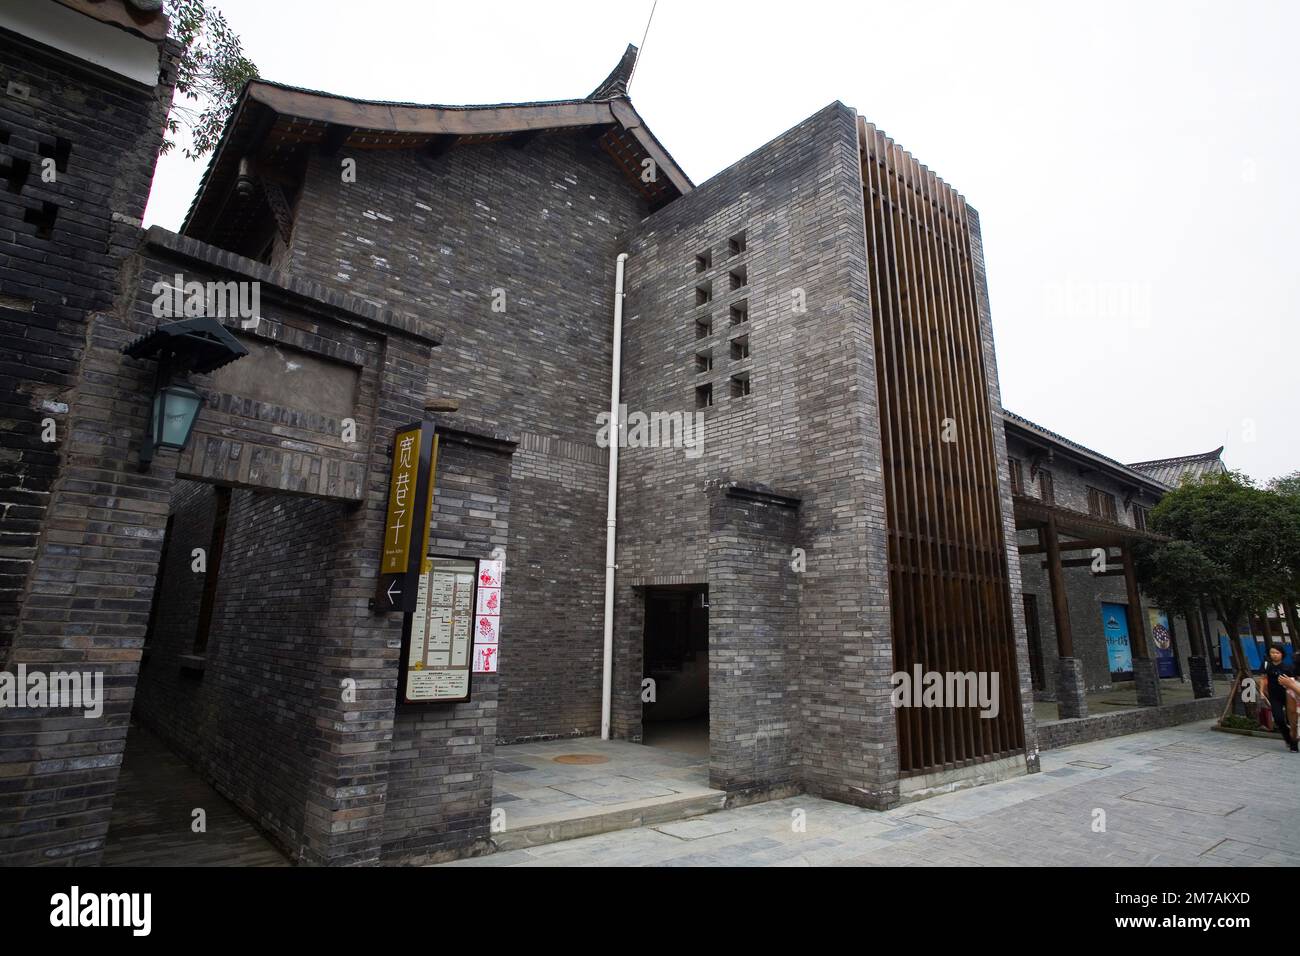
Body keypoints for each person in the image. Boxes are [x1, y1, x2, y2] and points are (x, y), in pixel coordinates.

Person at [1261, 645, 1299, 752]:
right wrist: (1261, 692)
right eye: (1272, 652)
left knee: (1292, 721)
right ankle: (1288, 738)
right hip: (1274, 696)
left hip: (1288, 696)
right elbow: (1263, 679)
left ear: (1282, 654)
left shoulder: (1288, 667)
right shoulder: (1266, 665)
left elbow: (1294, 682)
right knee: (1278, 719)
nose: (1274, 655)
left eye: (1277, 653)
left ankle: (1293, 745)